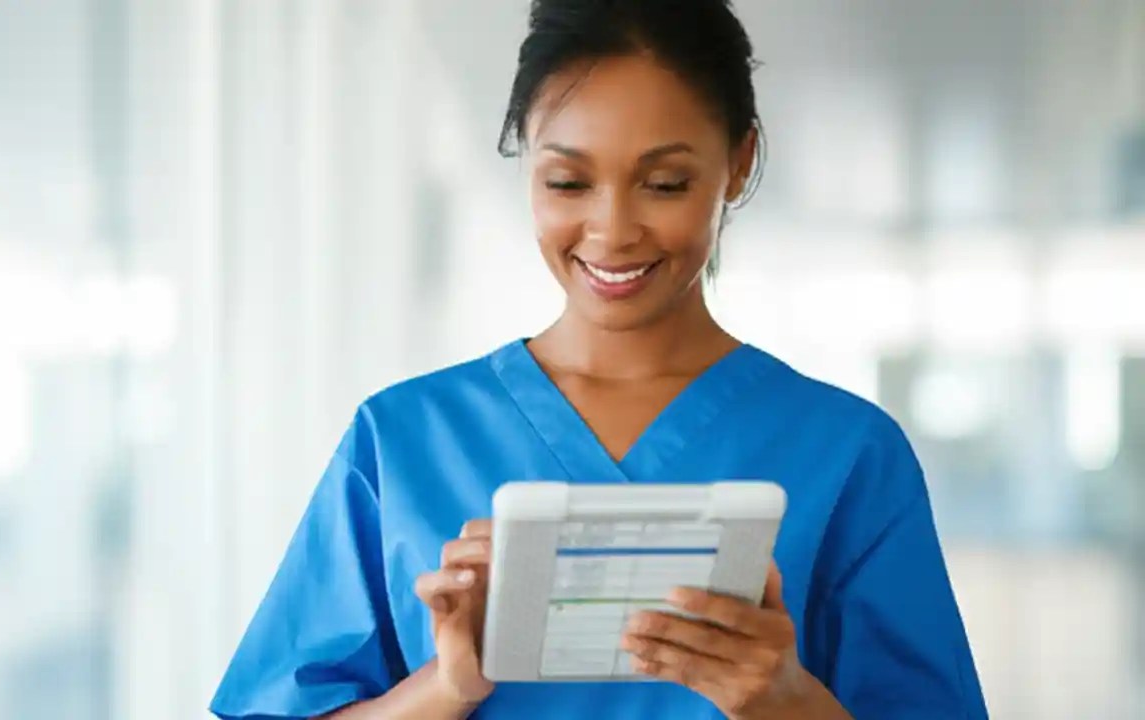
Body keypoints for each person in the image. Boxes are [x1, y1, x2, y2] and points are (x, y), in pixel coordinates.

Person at [210, 1, 989, 718]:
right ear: (525, 165)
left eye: (664, 183)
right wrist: (446, 686)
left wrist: (785, 700)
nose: (612, 231)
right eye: (568, 181)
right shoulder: (403, 439)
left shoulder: (848, 453)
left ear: (739, 162)